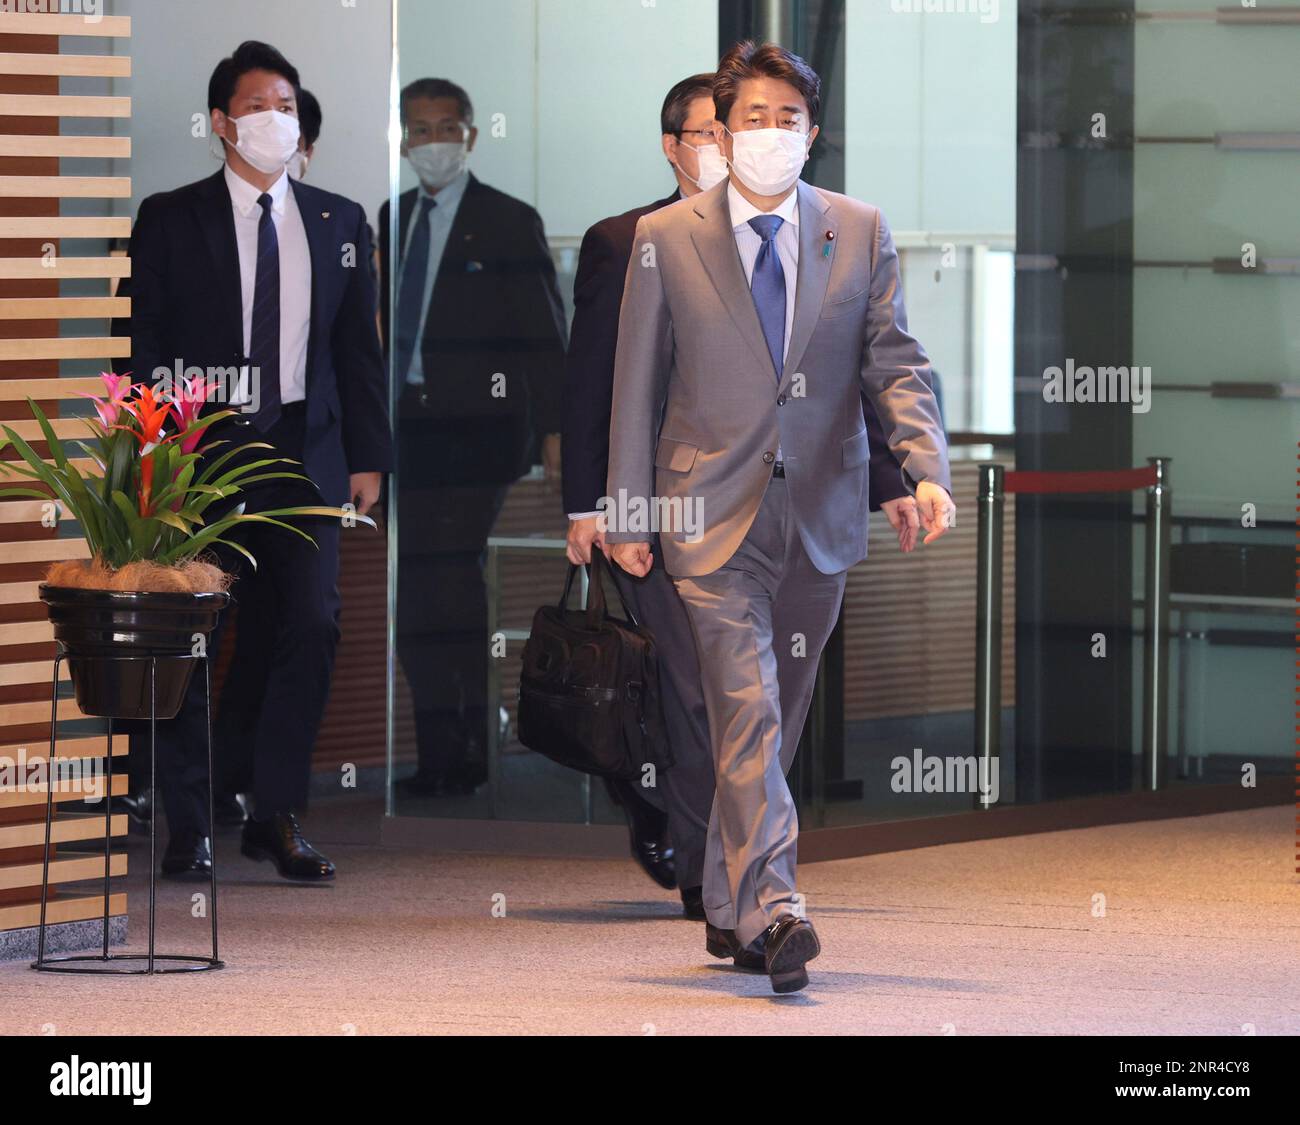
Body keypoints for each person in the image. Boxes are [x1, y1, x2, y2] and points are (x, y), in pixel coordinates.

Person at [605, 41, 955, 993]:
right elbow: (633, 386)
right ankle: (781, 906)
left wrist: (925, 468)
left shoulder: (859, 228)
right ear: (722, 131)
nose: (768, 134)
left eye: (787, 119)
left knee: (772, 719)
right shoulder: (665, 235)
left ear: (812, 132)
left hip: (822, 515)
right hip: (703, 514)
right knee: (747, 709)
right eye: (750, 118)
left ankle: (730, 904)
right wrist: (627, 511)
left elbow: (896, 360)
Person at [113, 40, 391, 880]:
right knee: (195, 630)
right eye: (261, 105)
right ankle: (189, 823)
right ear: (223, 123)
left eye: (289, 104)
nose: (279, 118)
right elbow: (142, 341)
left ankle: (274, 812)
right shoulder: (170, 216)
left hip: (305, 450)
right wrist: (152, 446)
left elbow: (357, 352)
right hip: (201, 452)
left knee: (312, 621)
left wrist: (370, 456)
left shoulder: (340, 221)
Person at [378, 78, 567, 797]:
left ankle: (468, 746)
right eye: (419, 131)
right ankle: (442, 747)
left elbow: (547, 336)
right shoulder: (390, 218)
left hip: (481, 435)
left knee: (448, 580)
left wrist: (555, 431)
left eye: (446, 128)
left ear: (470, 136)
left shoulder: (508, 221)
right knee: (415, 591)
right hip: (408, 430)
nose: (433, 143)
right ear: (402, 141)